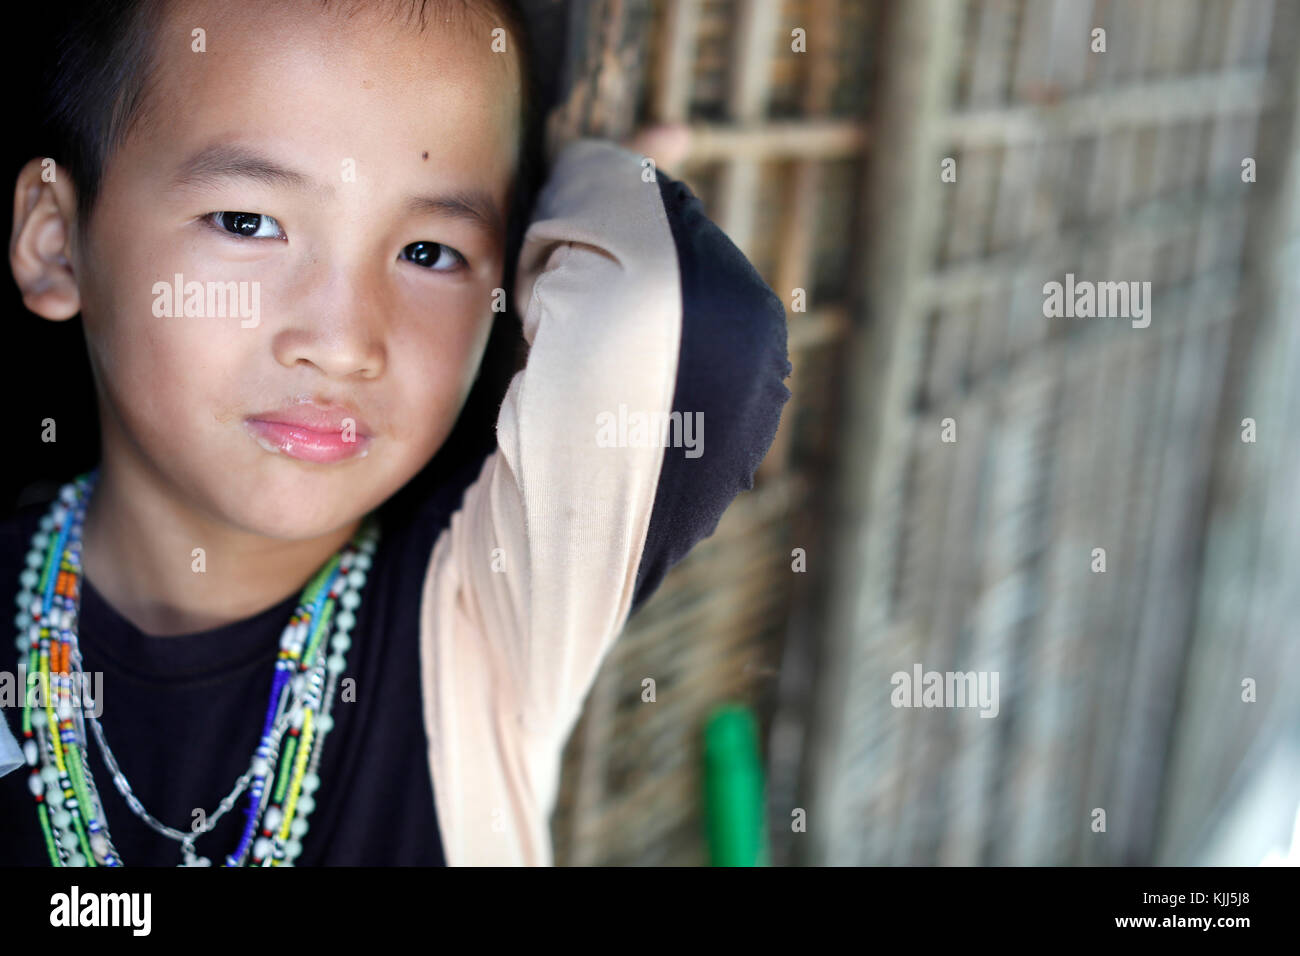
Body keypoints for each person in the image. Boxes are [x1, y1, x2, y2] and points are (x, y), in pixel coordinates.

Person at [0, 0, 791, 866]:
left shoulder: (480, 621)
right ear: (55, 241)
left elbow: (688, 324)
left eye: (428, 252)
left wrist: (567, 175)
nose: (343, 344)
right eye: (247, 222)